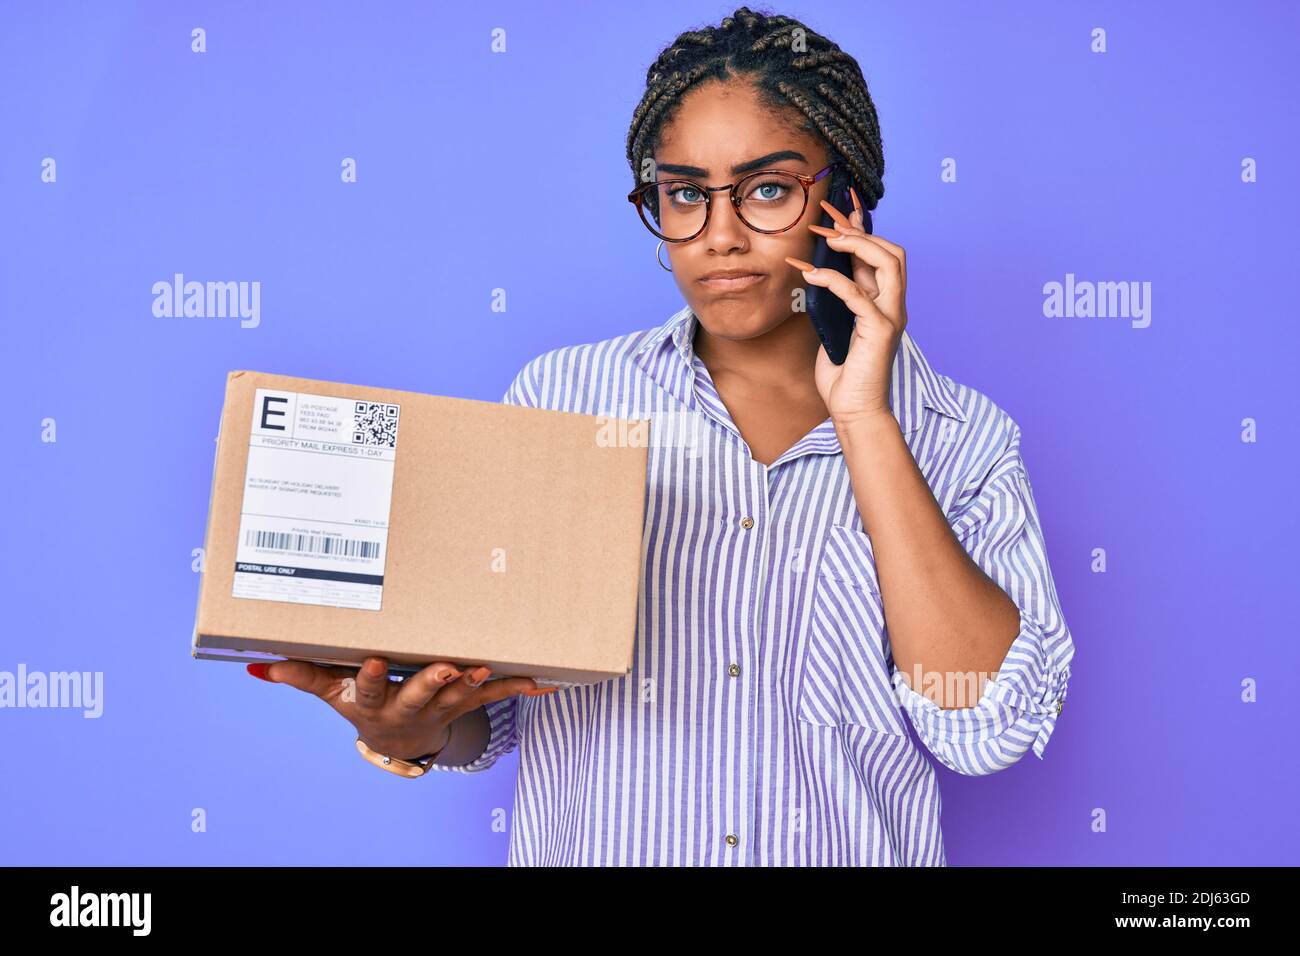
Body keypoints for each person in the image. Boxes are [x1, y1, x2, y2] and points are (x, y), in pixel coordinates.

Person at [249, 6, 1075, 866]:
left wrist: (864, 418)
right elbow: (489, 710)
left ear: (845, 205)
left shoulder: (964, 439)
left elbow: (990, 732)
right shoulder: (563, 398)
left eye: (766, 189)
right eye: (684, 193)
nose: (718, 235)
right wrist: (408, 730)